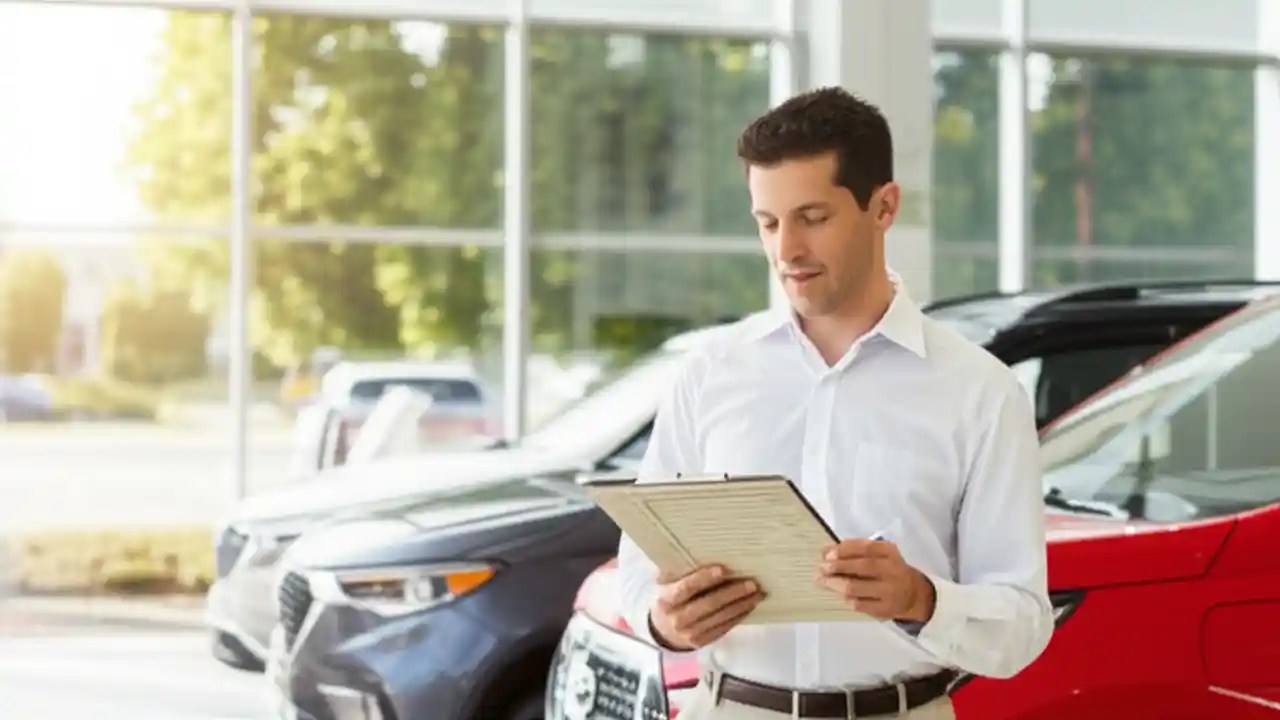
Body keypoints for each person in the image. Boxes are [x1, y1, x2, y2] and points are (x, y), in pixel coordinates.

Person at [616, 87, 1053, 719]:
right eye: (767, 223)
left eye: (812, 217)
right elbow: (637, 571)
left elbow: (1022, 624)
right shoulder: (709, 374)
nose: (786, 250)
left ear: (884, 207)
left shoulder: (980, 393)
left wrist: (921, 598)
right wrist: (666, 620)